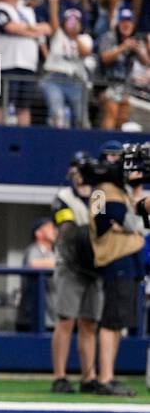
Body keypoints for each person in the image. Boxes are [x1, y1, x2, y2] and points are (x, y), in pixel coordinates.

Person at [87, 144, 147, 396]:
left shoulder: (115, 192)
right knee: (112, 323)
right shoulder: (104, 192)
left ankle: (107, 376)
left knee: (118, 323)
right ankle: (105, 378)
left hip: (126, 263)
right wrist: (129, 217)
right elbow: (128, 222)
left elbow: (135, 224)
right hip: (117, 261)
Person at [50, 152, 101, 393]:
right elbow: (68, 228)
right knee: (66, 320)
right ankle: (59, 376)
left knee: (90, 322)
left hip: (95, 265)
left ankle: (88, 376)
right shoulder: (63, 197)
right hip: (71, 263)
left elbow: (102, 225)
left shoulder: (99, 195)